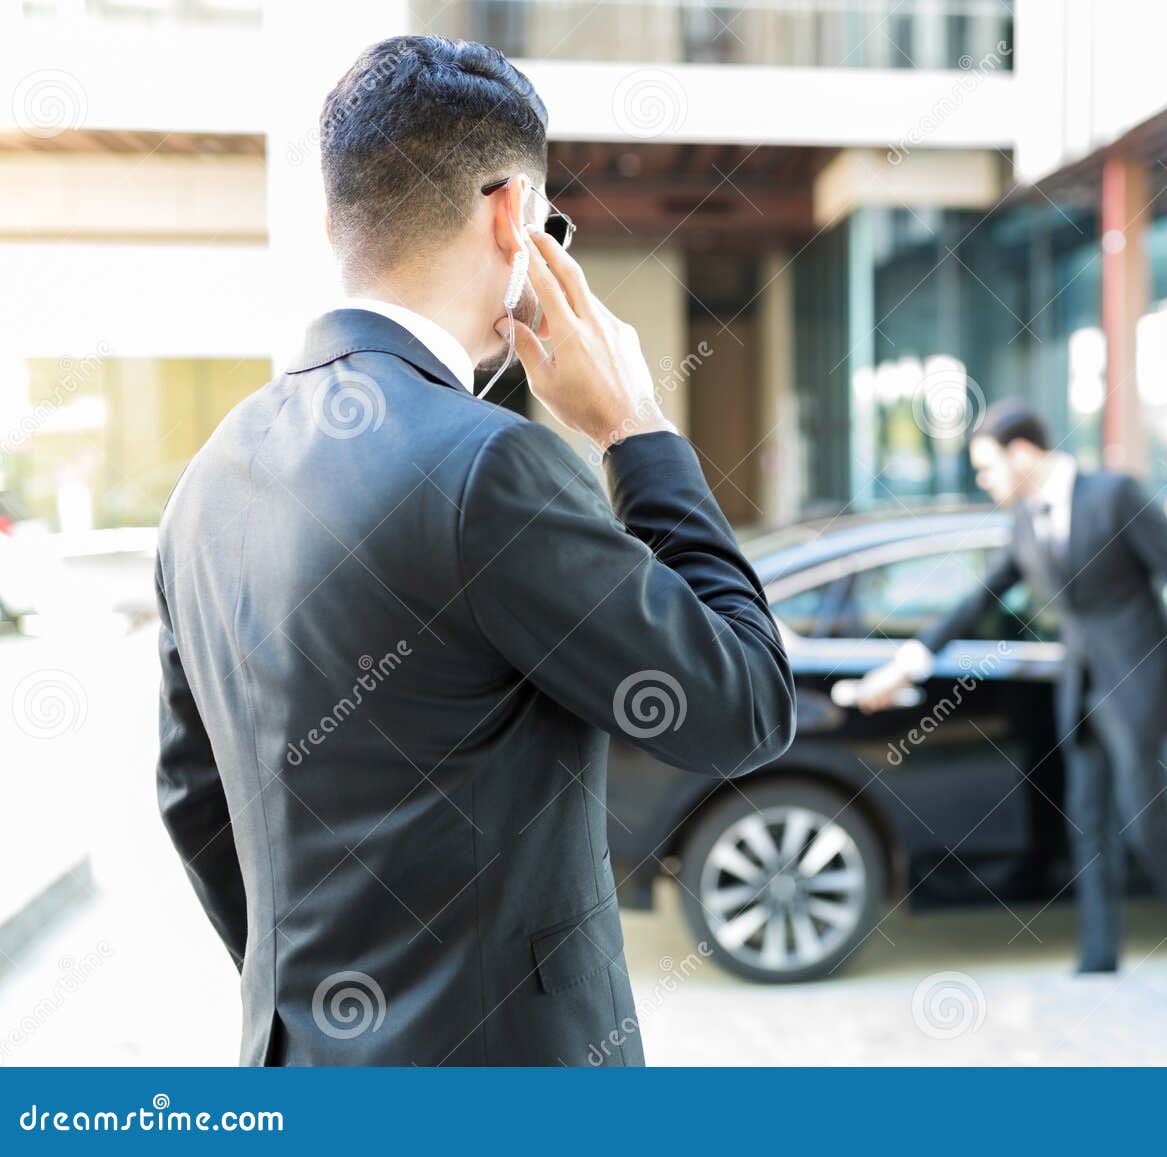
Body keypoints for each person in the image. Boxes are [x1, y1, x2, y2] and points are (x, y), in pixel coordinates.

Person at [154, 36, 795, 1066]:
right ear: (513, 217)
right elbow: (743, 706)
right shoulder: (489, 467)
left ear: (333, 223)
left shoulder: (208, 478)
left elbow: (194, 798)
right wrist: (638, 434)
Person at [858, 400, 1167, 973]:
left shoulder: (1116, 496)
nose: (982, 481)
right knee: (1088, 825)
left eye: (987, 467)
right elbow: (978, 601)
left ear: (1023, 454)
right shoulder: (1024, 522)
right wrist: (909, 662)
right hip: (1078, 692)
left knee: (1149, 824)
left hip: (1142, 688)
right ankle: (1098, 960)